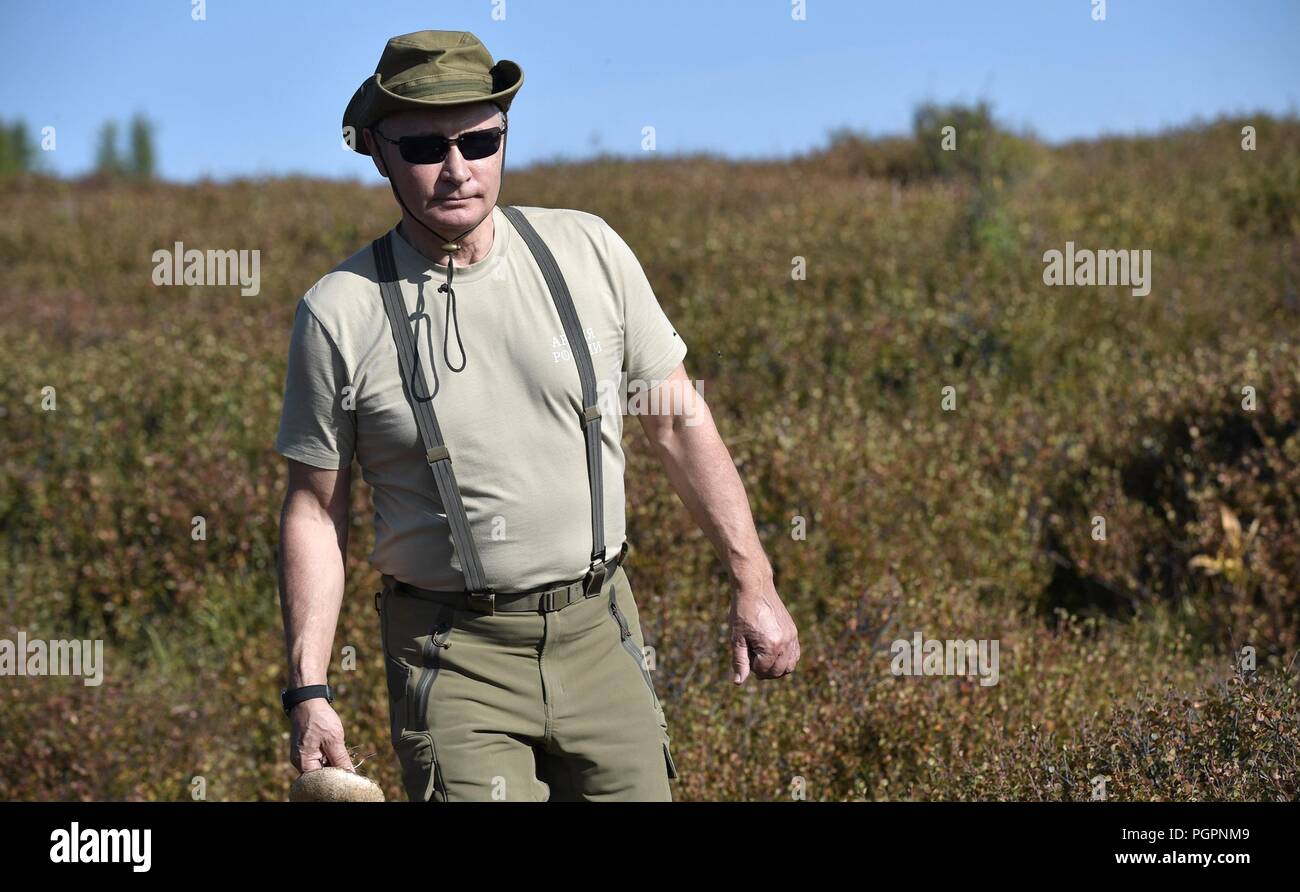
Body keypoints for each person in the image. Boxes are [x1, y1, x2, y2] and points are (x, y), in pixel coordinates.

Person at [274, 29, 799, 801]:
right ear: (379, 153)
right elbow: (316, 511)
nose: (457, 168)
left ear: (504, 137)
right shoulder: (339, 313)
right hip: (453, 656)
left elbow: (678, 422)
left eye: (480, 139)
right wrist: (308, 688)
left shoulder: (590, 251)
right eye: (424, 146)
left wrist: (753, 579)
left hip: (601, 637)